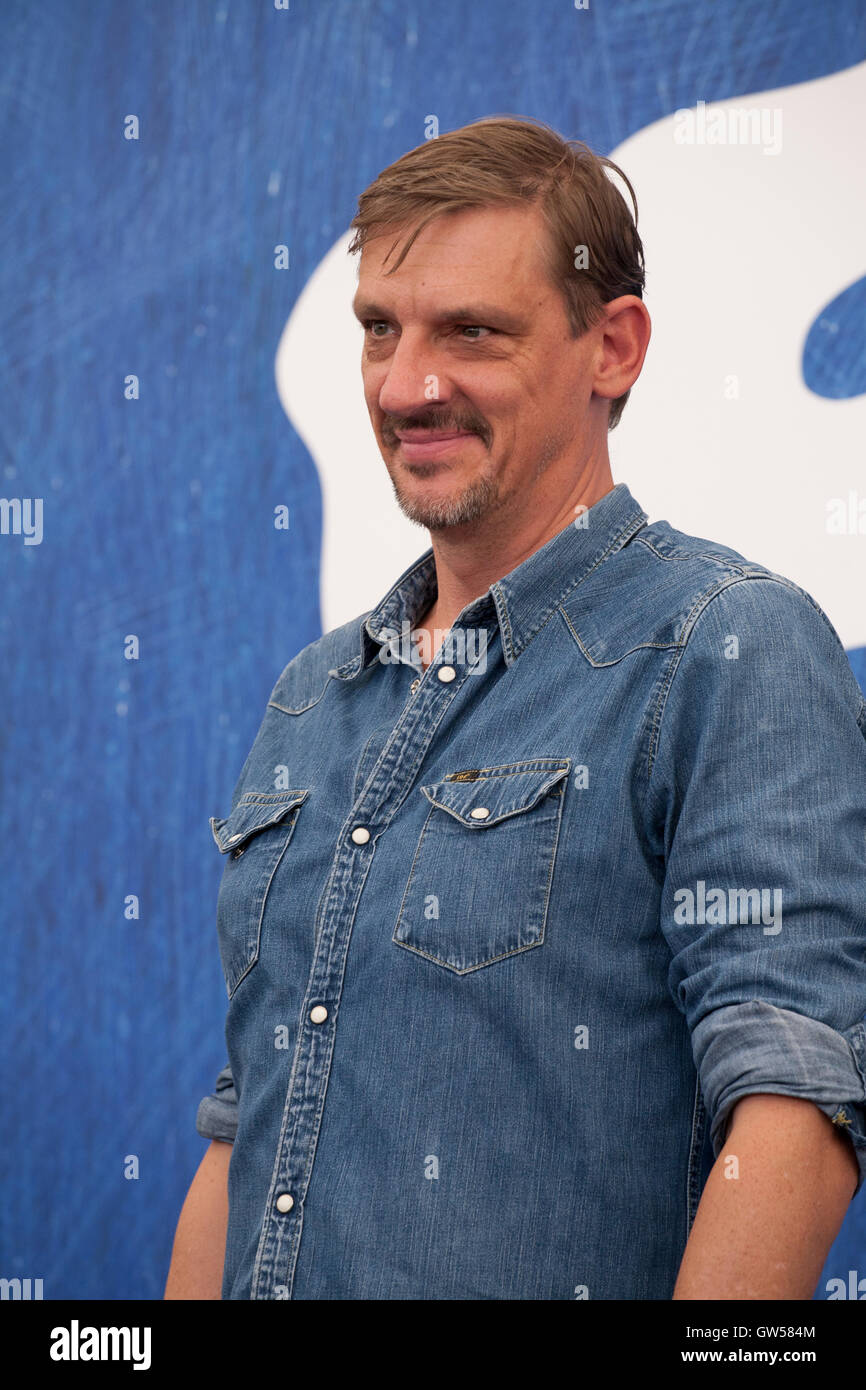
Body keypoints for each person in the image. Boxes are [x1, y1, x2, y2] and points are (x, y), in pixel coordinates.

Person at [165, 116, 866, 1301]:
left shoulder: (722, 642)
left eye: (471, 333)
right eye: (378, 329)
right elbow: (245, 1126)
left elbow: (796, 1098)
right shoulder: (312, 693)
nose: (406, 385)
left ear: (613, 346)